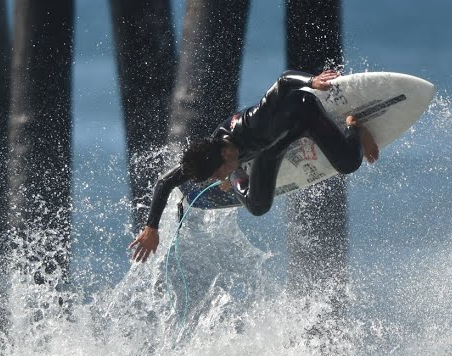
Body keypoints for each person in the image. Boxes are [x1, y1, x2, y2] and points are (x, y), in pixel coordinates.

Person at [129, 68, 379, 263]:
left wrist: (311, 81)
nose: (216, 178)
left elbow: (283, 81)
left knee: (349, 163)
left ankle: (353, 128)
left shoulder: (253, 123)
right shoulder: (209, 154)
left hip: (303, 117)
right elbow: (165, 182)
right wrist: (151, 228)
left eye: (219, 172)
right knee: (257, 206)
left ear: (226, 153)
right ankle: (238, 177)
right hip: (271, 147)